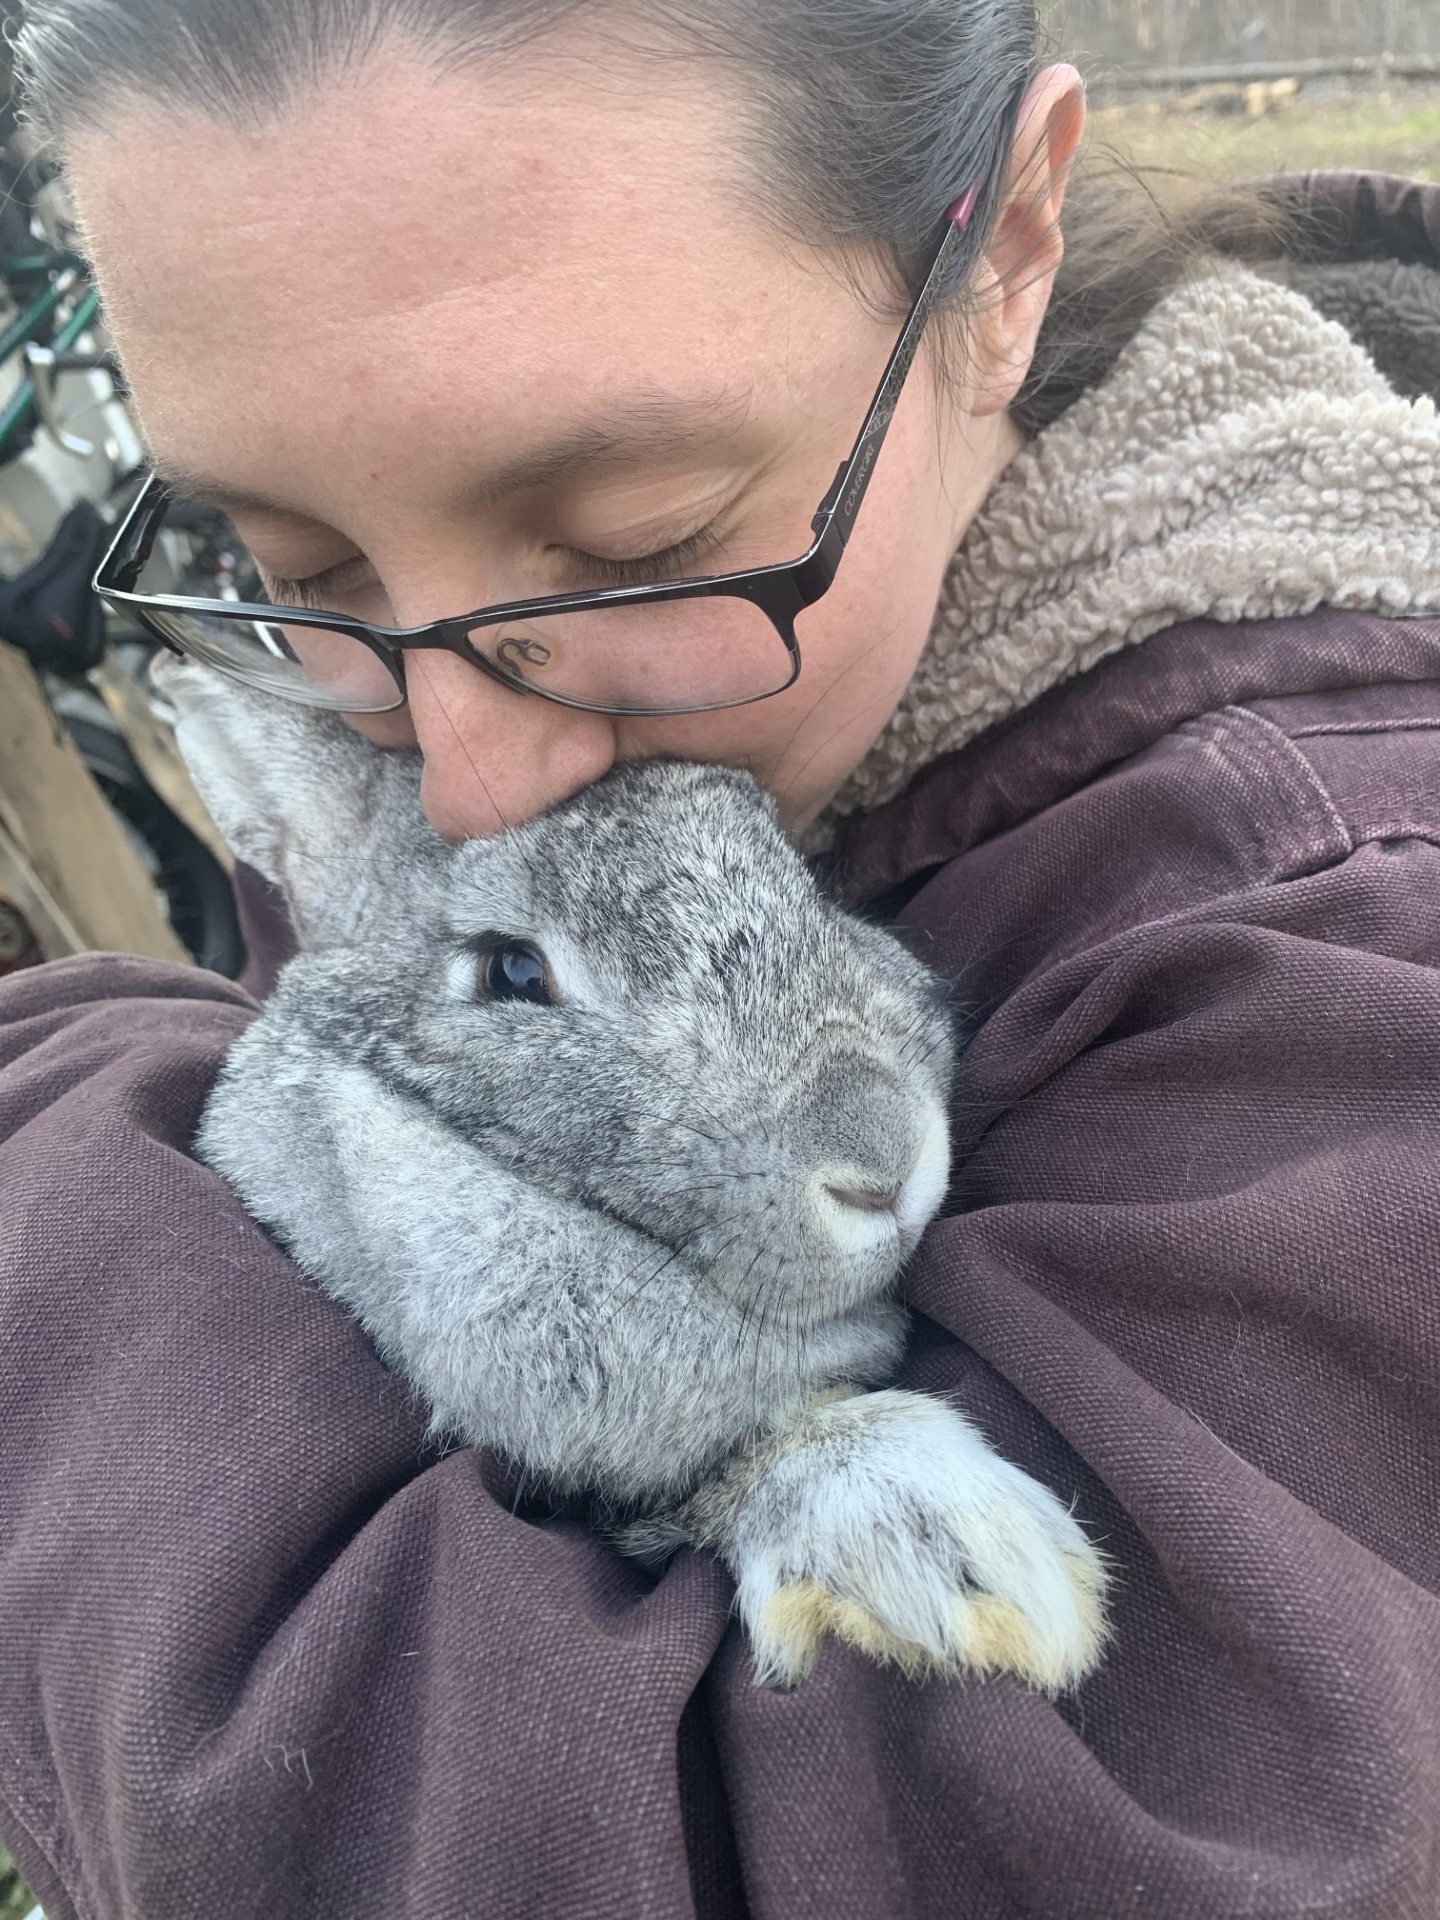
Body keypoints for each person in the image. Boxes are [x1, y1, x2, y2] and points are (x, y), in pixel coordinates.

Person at [1, 0, 1439, 1912]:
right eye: (300, 572)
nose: (468, 773)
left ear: (1005, 255)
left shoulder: (1335, 947)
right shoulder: (468, 728)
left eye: (635, 541)